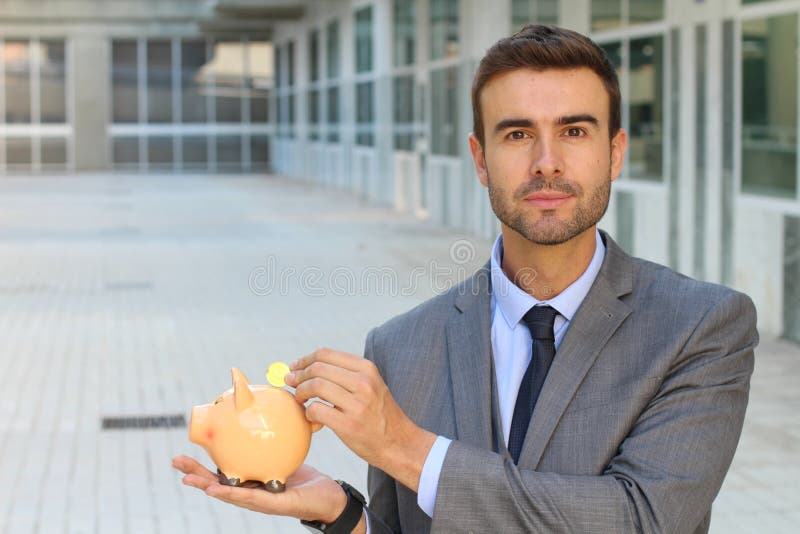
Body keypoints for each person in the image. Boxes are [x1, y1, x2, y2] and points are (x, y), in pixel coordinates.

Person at [173, 24, 758, 533]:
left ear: (615, 152)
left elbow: (641, 521)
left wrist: (405, 448)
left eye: (575, 132)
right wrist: (340, 514)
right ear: (480, 159)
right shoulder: (400, 348)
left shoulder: (700, 328)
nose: (547, 161)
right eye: (518, 133)